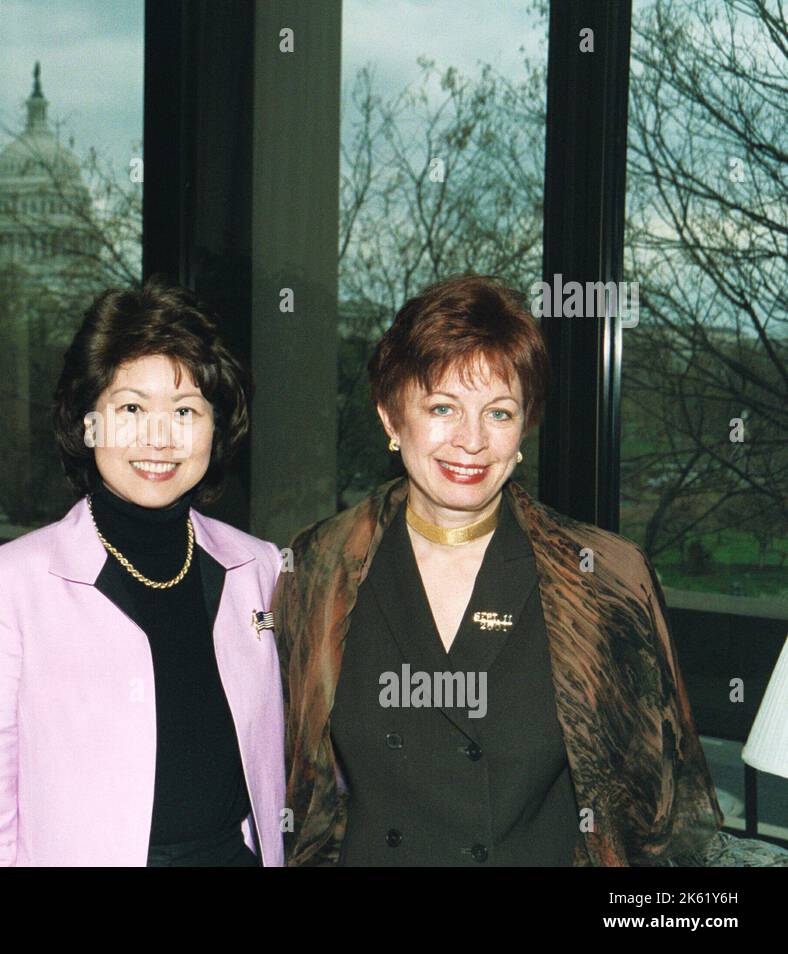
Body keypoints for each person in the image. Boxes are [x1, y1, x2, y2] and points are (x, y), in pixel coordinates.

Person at [273, 274, 721, 866]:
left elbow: (663, 823)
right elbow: (291, 795)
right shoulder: (318, 570)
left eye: (499, 413)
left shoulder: (603, 580)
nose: (472, 441)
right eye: (442, 407)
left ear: (524, 429)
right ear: (389, 417)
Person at [0, 283, 285, 866]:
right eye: (130, 408)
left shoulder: (262, 570)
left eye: (185, 411)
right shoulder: (7, 584)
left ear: (214, 429)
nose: (158, 437)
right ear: (87, 422)